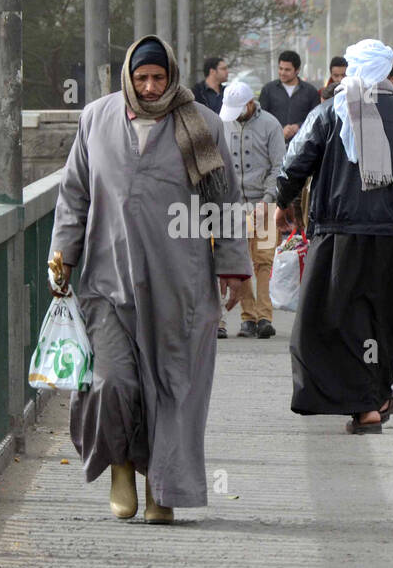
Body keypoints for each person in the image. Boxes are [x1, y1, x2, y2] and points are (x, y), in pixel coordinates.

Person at [50, 35, 252, 524]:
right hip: (107, 279)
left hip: (178, 284)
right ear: (128, 77)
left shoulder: (200, 124)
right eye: (141, 78)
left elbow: (224, 199)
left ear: (172, 76)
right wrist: (62, 252)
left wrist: (233, 266)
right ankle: (120, 464)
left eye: (158, 77)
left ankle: (162, 486)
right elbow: (75, 194)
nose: (150, 86)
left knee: (173, 386)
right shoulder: (96, 119)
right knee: (112, 382)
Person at [276, 39, 393, 434]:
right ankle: (376, 395)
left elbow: (295, 163)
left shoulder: (331, 112)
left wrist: (281, 202)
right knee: (383, 318)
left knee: (332, 319)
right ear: (386, 71)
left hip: (340, 234)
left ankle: (363, 404)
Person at [219, 81, 286, 339]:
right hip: (234, 206)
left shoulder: (270, 125)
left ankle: (264, 316)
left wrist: (268, 199)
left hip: (264, 203)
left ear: (249, 104)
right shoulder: (222, 124)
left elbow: (279, 167)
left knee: (264, 262)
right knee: (241, 261)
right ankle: (248, 318)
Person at [259, 50, 321, 142]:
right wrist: (280, 130)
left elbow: (317, 119)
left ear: (297, 70)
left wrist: (298, 127)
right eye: (280, 68)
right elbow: (261, 118)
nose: (282, 73)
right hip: (274, 143)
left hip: (303, 145)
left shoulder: (310, 92)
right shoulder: (268, 90)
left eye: (287, 70)